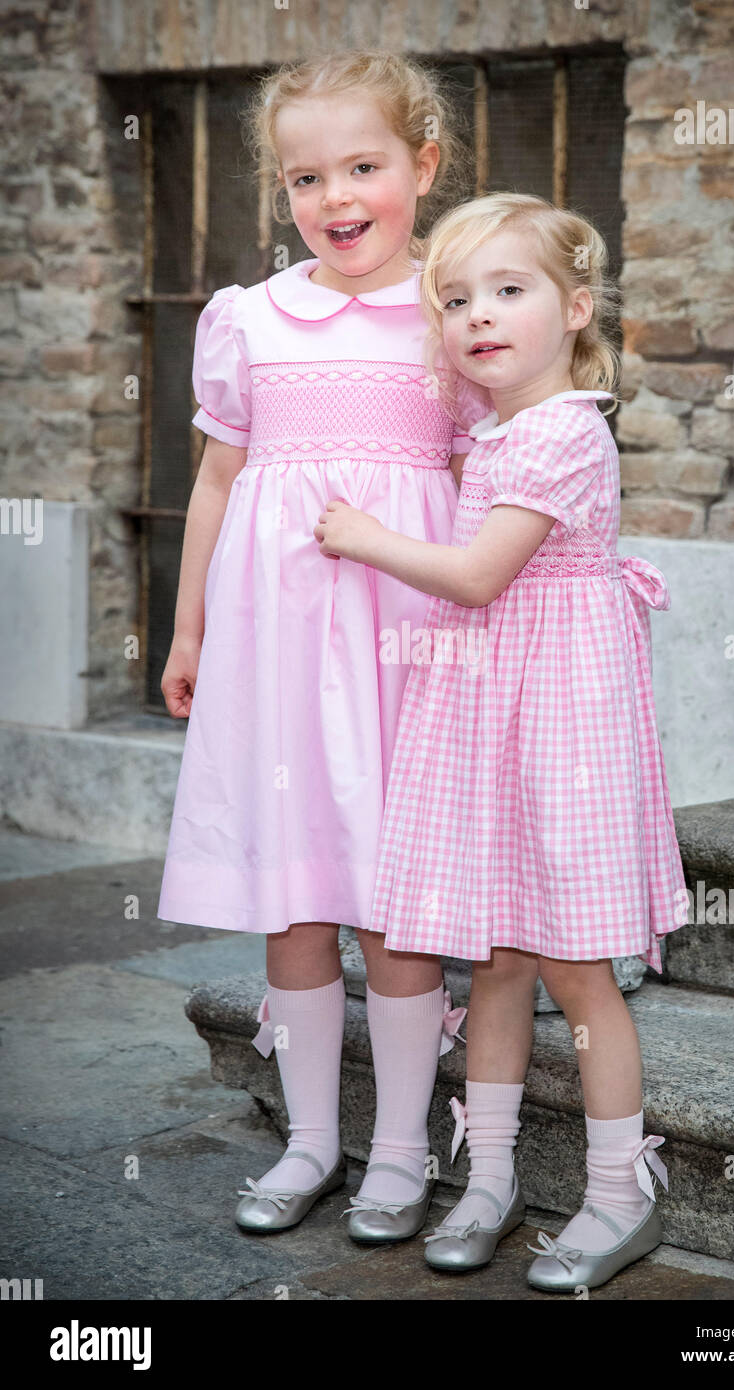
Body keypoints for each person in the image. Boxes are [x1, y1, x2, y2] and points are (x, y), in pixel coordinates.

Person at [314, 191, 689, 1292]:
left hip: (560, 721)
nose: (477, 316)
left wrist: (365, 536)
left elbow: (478, 575)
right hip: (491, 712)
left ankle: (620, 1194)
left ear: (575, 308)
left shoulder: (565, 431)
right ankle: (490, 1174)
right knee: (494, 959)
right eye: (455, 300)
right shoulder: (494, 427)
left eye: (508, 290)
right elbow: (418, 380)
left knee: (574, 967)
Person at [156, 48, 491, 1242]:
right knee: (293, 898)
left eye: (365, 166)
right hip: (276, 646)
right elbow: (216, 478)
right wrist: (190, 624)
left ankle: (398, 1154)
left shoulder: (458, 316)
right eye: (308, 177)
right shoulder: (250, 318)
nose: (337, 197)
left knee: (394, 900)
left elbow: (480, 483)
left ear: (424, 165)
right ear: (280, 189)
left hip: (409, 642)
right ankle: (309, 1141)